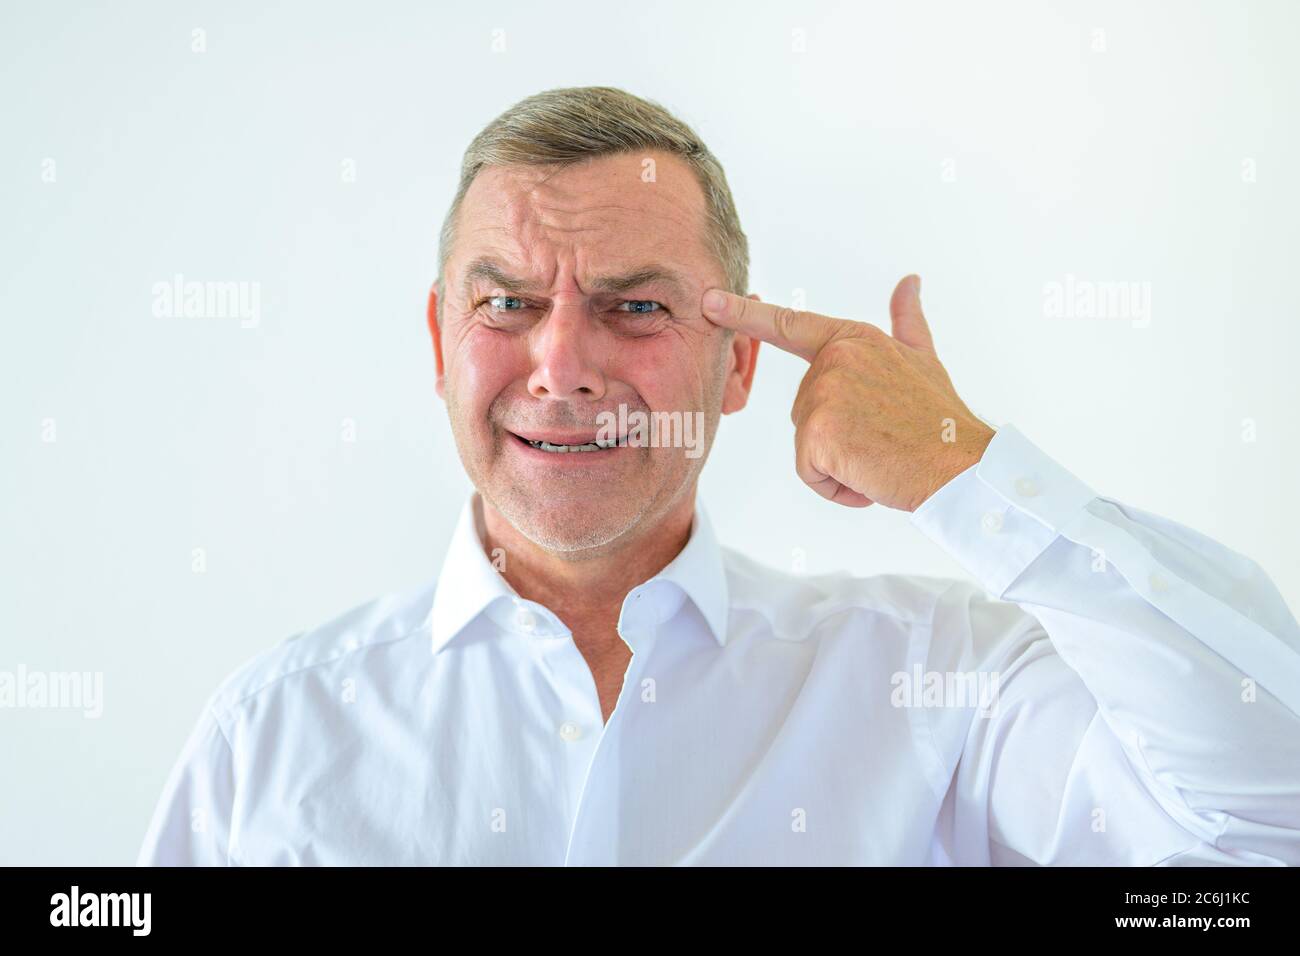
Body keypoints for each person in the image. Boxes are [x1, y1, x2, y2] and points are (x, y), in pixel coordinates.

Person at [137, 86, 1300, 866]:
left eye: (634, 306)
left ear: (737, 363)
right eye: (507, 304)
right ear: (442, 345)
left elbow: (1259, 823)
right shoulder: (271, 732)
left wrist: (965, 470)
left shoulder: (942, 683)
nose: (561, 366)